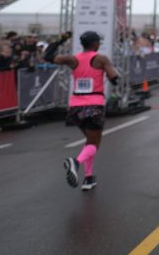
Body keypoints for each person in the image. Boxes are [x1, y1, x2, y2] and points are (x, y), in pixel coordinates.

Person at [43, 31, 120, 191]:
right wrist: (113, 77)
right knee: (94, 144)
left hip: (75, 108)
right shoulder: (101, 59)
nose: (99, 44)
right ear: (94, 44)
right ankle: (75, 163)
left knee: (89, 143)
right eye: (98, 41)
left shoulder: (73, 59)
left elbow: (48, 56)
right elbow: (114, 78)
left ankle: (88, 178)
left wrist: (61, 39)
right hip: (94, 105)